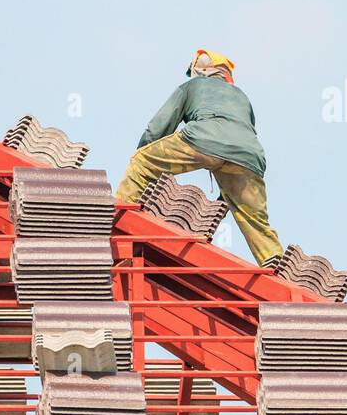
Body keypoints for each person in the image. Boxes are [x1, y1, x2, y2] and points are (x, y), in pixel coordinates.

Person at [116, 49, 284, 265]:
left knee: (141, 162)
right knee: (255, 220)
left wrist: (145, 151)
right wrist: (230, 195)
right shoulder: (242, 97)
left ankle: (119, 216)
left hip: (202, 141)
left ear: (201, 70)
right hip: (248, 159)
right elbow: (241, 137)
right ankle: (273, 258)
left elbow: (157, 128)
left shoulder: (192, 87)